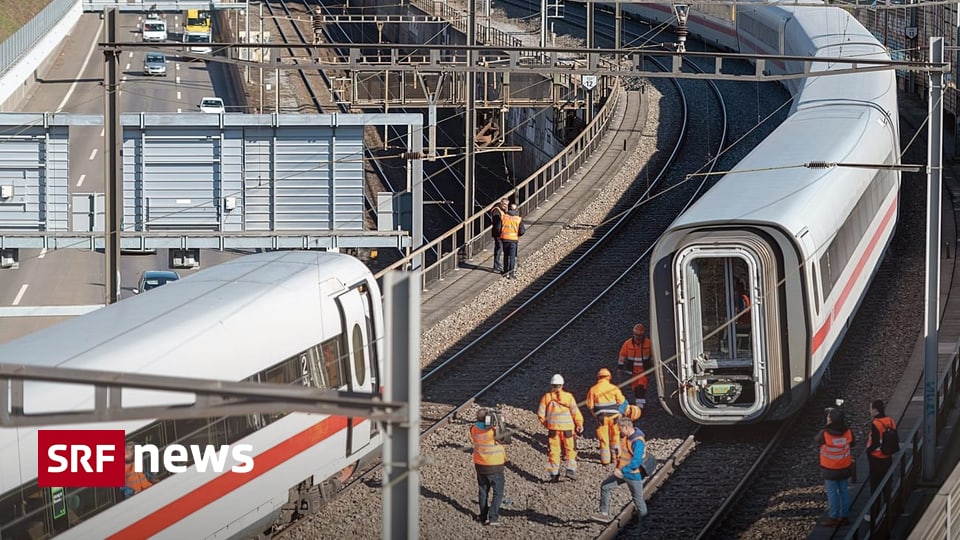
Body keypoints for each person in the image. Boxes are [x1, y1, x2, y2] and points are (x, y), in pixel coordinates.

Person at [593, 416, 649, 526]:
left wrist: (623, 471)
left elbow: (636, 462)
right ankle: (604, 514)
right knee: (605, 486)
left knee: (638, 500)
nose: (619, 431)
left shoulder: (638, 441)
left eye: (620, 429)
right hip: (623, 473)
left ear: (627, 427)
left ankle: (644, 523)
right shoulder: (628, 437)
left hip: (633, 475)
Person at [537, 373, 584, 482]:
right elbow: (575, 411)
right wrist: (579, 423)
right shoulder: (568, 397)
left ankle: (554, 474)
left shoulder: (547, 397)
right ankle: (570, 470)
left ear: (551, 385)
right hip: (568, 429)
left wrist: (547, 424)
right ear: (562, 385)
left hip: (553, 430)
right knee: (570, 449)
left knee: (554, 451)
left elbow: (540, 414)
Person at [815, 407, 855, 527]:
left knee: (832, 493)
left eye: (828, 417)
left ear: (831, 420)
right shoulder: (848, 432)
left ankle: (833, 517)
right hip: (844, 467)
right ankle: (845, 516)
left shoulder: (825, 433)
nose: (827, 418)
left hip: (829, 469)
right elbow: (852, 443)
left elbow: (817, 441)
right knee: (844, 491)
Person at [471, 408, 509, 526]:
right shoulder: (493, 431)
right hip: (495, 466)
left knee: (483, 491)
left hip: (480, 465)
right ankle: (493, 517)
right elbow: (506, 439)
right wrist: (501, 423)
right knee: (498, 492)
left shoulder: (473, 429)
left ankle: (482, 516)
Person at [585, 367, 626, 465]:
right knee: (615, 437)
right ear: (609, 377)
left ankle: (605, 460)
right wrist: (620, 413)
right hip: (614, 417)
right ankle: (616, 458)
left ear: (598, 377)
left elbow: (589, 405)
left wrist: (594, 414)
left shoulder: (593, 389)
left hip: (601, 418)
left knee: (604, 438)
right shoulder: (614, 388)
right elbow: (622, 401)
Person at [866, 399, 897, 506]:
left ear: (875, 410)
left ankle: (875, 512)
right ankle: (889, 507)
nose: (870, 411)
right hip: (888, 457)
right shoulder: (891, 421)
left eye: (871, 409)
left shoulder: (876, 423)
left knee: (875, 486)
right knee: (887, 484)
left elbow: (874, 443)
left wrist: (868, 451)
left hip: (876, 458)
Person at [618, 324, 653, 410]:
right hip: (633, 372)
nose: (638, 337)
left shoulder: (648, 343)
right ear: (633, 334)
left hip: (644, 371)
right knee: (635, 388)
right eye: (637, 335)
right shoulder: (628, 344)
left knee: (641, 388)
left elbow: (653, 356)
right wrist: (620, 367)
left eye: (640, 335)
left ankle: (640, 407)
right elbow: (622, 356)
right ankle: (639, 404)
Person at [496, 203, 526, 279]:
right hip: (513, 239)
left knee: (506, 255)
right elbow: (522, 231)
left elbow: (498, 228)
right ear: (516, 210)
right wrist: (517, 234)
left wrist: (500, 234)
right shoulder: (518, 219)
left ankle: (505, 272)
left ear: (509, 209)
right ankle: (511, 273)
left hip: (504, 239)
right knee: (512, 257)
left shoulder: (503, 217)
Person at [489, 198, 509, 273]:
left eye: (506, 205)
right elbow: (497, 223)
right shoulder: (496, 210)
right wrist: (499, 232)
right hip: (498, 233)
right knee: (499, 248)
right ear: (501, 203)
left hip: (502, 232)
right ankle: (496, 265)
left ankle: (497, 265)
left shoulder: (502, 210)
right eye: (504, 204)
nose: (505, 206)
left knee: (500, 248)